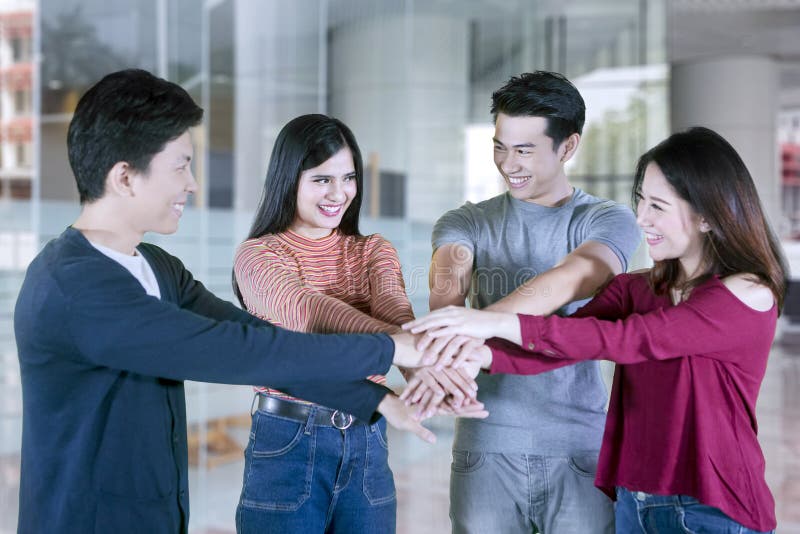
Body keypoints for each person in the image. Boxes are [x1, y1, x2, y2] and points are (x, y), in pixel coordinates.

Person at [13, 70, 438, 534]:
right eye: (180, 166)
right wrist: (389, 347)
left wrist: (375, 399)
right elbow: (240, 351)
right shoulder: (76, 286)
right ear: (125, 177)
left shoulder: (158, 267)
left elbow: (259, 339)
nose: (192, 184)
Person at [406, 126, 785, 533]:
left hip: (712, 508)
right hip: (635, 504)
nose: (641, 219)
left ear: (708, 216)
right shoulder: (637, 289)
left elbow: (630, 339)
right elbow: (564, 340)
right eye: (641, 201)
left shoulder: (746, 293)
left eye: (657, 206)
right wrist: (475, 356)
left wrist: (492, 320)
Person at [409, 71, 641, 533]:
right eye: (500, 146)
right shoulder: (466, 222)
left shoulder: (605, 219)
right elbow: (450, 277)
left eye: (524, 150)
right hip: (485, 449)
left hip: (579, 450)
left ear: (568, 147)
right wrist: (449, 327)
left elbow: (575, 276)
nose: (507, 163)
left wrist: (477, 324)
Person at [231, 113, 486, 533]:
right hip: (288, 443)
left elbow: (395, 314)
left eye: (348, 178)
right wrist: (412, 351)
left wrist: (430, 377)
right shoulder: (258, 255)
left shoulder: (372, 250)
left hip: (367, 440)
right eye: (322, 179)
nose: (339, 193)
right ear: (288, 179)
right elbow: (309, 312)